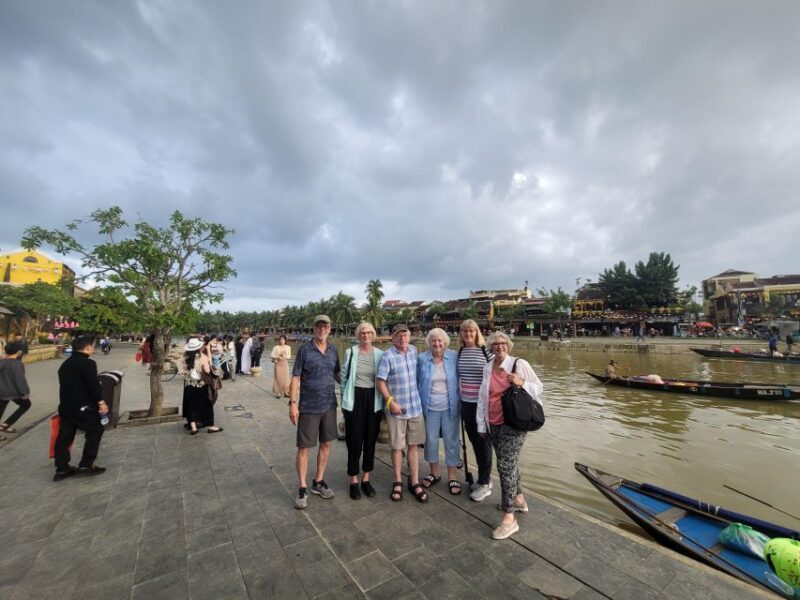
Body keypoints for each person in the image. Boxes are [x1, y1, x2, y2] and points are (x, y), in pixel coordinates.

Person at [477, 331, 543, 540]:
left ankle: (509, 518)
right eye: (496, 344)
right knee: (509, 464)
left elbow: (539, 387)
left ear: (508, 345)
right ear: (490, 347)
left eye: (503, 343)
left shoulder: (518, 364)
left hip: (514, 423)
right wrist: (481, 424)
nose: (500, 346)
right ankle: (519, 499)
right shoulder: (488, 367)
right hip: (493, 422)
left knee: (505, 467)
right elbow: (483, 397)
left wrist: (521, 382)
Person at [289, 315, 340, 509]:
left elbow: (337, 374)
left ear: (330, 328)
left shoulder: (333, 350)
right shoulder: (304, 350)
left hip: (329, 405)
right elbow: (296, 377)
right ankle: (302, 486)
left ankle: (318, 481)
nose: (322, 329)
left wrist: (355, 383)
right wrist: (293, 403)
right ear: (314, 329)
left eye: (325, 326)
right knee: (304, 447)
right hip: (309, 407)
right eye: (319, 326)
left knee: (326, 444)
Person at [376, 323, 428, 504]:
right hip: (397, 409)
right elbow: (380, 381)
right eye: (398, 335)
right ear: (393, 338)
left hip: (415, 408)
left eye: (405, 335)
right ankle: (397, 480)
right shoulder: (388, 356)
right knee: (397, 447)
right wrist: (390, 401)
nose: (402, 338)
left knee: (413, 446)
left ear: (409, 336)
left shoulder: (414, 351)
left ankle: (414, 481)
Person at [53, 334, 109, 481]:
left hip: (66, 407)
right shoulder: (88, 363)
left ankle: (62, 469)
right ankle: (86, 464)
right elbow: (93, 386)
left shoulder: (65, 364)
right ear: (88, 347)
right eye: (93, 346)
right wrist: (101, 402)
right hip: (83, 407)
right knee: (96, 430)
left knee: (64, 437)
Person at [340, 322, 384, 500]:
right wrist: (344, 401)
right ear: (358, 335)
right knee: (354, 440)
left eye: (369, 333)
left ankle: (366, 478)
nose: (366, 336)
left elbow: (384, 378)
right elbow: (343, 377)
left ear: (373, 335)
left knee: (370, 440)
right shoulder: (351, 352)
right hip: (355, 398)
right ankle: (353, 479)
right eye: (363, 333)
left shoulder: (380, 354)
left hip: (374, 400)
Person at [417, 328, 462, 495]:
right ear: (429, 342)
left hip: (451, 407)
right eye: (433, 341)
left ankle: (452, 476)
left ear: (445, 342)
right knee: (431, 440)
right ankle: (434, 473)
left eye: (440, 340)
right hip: (429, 408)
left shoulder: (454, 357)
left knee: (452, 440)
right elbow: (416, 381)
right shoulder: (422, 358)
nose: (437, 344)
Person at [457, 319, 494, 501]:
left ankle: (485, 482)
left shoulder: (486, 352)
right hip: (466, 403)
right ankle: (483, 478)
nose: (468, 334)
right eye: (465, 331)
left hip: (483, 405)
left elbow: (498, 372)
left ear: (477, 332)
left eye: (471, 330)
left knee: (484, 441)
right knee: (474, 440)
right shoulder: (460, 352)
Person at [181, 337, 223, 434]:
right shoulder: (202, 357)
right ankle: (211, 426)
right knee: (207, 405)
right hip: (201, 386)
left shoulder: (185, 357)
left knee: (191, 406)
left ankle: (194, 428)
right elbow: (208, 370)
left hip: (189, 386)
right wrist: (208, 352)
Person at [0, 342, 31, 438]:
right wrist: (25, 392)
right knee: (26, 404)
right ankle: (6, 424)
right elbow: (19, 380)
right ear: (18, 352)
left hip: (1, 392)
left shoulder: (1, 361)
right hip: (13, 392)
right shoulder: (17, 364)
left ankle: (5, 425)